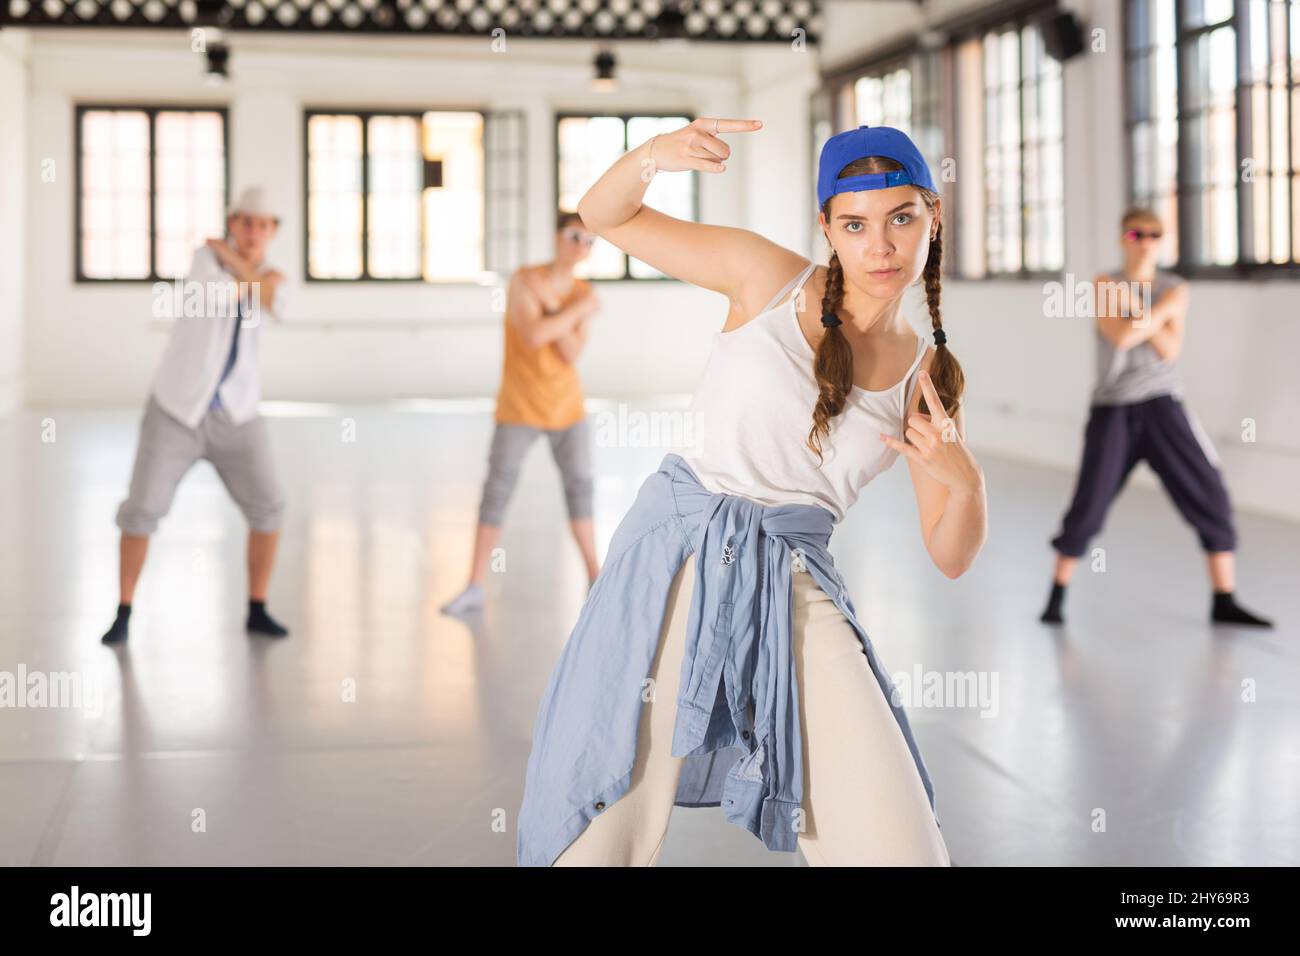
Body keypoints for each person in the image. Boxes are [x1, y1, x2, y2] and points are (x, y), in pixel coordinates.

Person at [516, 121, 988, 867]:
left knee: (904, 848)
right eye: (856, 224)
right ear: (827, 228)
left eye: (902, 217)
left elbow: (951, 554)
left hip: (791, 582)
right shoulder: (765, 276)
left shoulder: (928, 381)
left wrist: (967, 482)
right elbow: (605, 216)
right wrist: (651, 158)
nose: (881, 246)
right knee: (597, 826)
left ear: (934, 216)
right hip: (673, 559)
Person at [1040, 207, 1273, 628]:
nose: (1145, 241)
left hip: (1164, 404)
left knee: (1210, 491)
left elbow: (1170, 351)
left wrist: (1133, 305)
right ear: (1122, 237)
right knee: (1089, 503)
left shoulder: (1175, 286)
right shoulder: (1104, 283)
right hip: (1113, 408)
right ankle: (1056, 597)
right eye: (1136, 233)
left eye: (1153, 234)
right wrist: (1154, 312)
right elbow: (1124, 336)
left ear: (1161, 239)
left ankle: (1225, 599)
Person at [100, 187, 293, 644]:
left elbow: (279, 304)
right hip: (177, 412)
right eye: (244, 223)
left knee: (270, 506)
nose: (252, 232)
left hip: (238, 415)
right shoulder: (204, 265)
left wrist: (240, 262)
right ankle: (123, 611)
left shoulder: (263, 273)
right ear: (233, 222)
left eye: (262, 225)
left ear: (273, 231)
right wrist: (253, 276)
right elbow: (232, 293)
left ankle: (257, 608)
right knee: (142, 509)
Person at [441, 211, 602, 615]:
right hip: (519, 405)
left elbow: (571, 352)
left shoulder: (579, 290)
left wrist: (548, 305)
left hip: (567, 406)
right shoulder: (524, 279)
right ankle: (474, 584)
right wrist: (568, 313)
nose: (579, 245)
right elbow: (532, 337)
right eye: (573, 235)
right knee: (497, 488)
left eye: (588, 240)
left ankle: (595, 577)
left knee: (579, 487)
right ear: (556, 236)